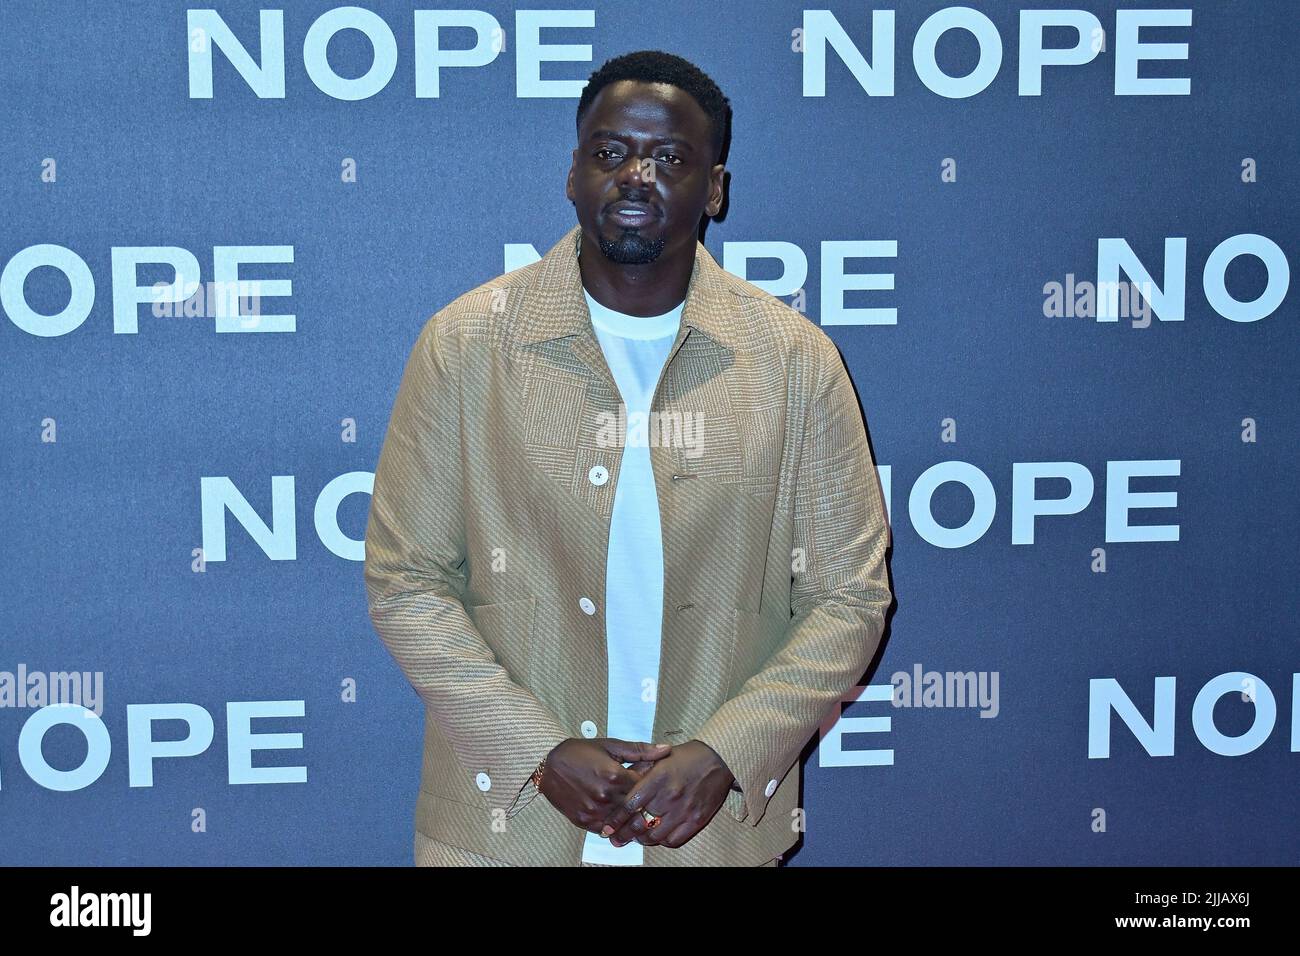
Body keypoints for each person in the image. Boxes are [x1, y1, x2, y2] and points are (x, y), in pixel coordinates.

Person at [364, 50, 892, 867]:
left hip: (709, 839)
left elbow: (850, 599)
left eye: (671, 158)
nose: (637, 176)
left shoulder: (793, 364)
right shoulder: (466, 346)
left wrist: (725, 754)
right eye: (610, 153)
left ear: (714, 188)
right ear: (572, 176)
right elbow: (406, 582)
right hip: (500, 836)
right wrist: (537, 750)